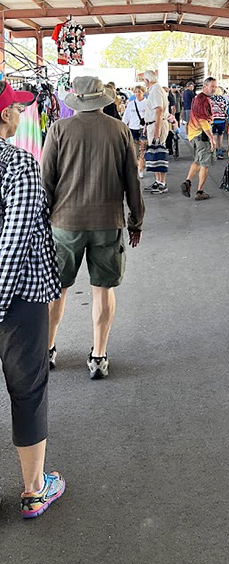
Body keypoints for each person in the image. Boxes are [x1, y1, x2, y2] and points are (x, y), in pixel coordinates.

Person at [43, 76, 144, 381]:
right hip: (106, 221)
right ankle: (98, 356)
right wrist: (135, 220)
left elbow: (46, 180)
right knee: (103, 289)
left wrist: (40, 222)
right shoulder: (119, 130)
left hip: (65, 223)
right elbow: (132, 180)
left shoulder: (59, 129)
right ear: (103, 100)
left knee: (56, 289)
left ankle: (46, 350)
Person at [0, 80, 65, 519]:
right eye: (18, 108)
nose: (24, 113)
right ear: (5, 115)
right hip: (17, 297)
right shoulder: (20, 165)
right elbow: (14, 241)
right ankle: (34, 488)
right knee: (27, 390)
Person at [181, 77, 217, 201]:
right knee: (204, 164)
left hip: (194, 134)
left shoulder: (198, 98)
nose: (214, 89)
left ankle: (188, 181)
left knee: (197, 160)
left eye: (215, 86)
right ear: (205, 86)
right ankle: (199, 191)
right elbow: (203, 120)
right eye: (212, 86)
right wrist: (212, 138)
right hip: (201, 136)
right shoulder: (202, 100)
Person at [143, 69, 170, 195]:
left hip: (156, 126)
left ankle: (162, 183)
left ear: (147, 80)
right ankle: (158, 181)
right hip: (153, 125)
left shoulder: (155, 90)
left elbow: (158, 110)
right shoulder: (155, 89)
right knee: (155, 154)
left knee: (158, 153)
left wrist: (156, 132)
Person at [122, 84, 147, 179]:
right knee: (133, 151)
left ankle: (140, 169)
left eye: (139, 91)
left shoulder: (147, 103)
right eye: (136, 92)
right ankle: (136, 168)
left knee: (142, 150)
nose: (137, 93)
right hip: (132, 129)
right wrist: (124, 127)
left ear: (143, 92)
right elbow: (126, 117)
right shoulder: (131, 104)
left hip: (142, 130)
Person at [211, 86, 229, 159]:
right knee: (220, 135)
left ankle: (214, 151)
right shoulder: (223, 99)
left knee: (214, 136)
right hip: (221, 120)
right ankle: (220, 151)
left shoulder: (210, 99)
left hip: (213, 120)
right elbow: (226, 109)